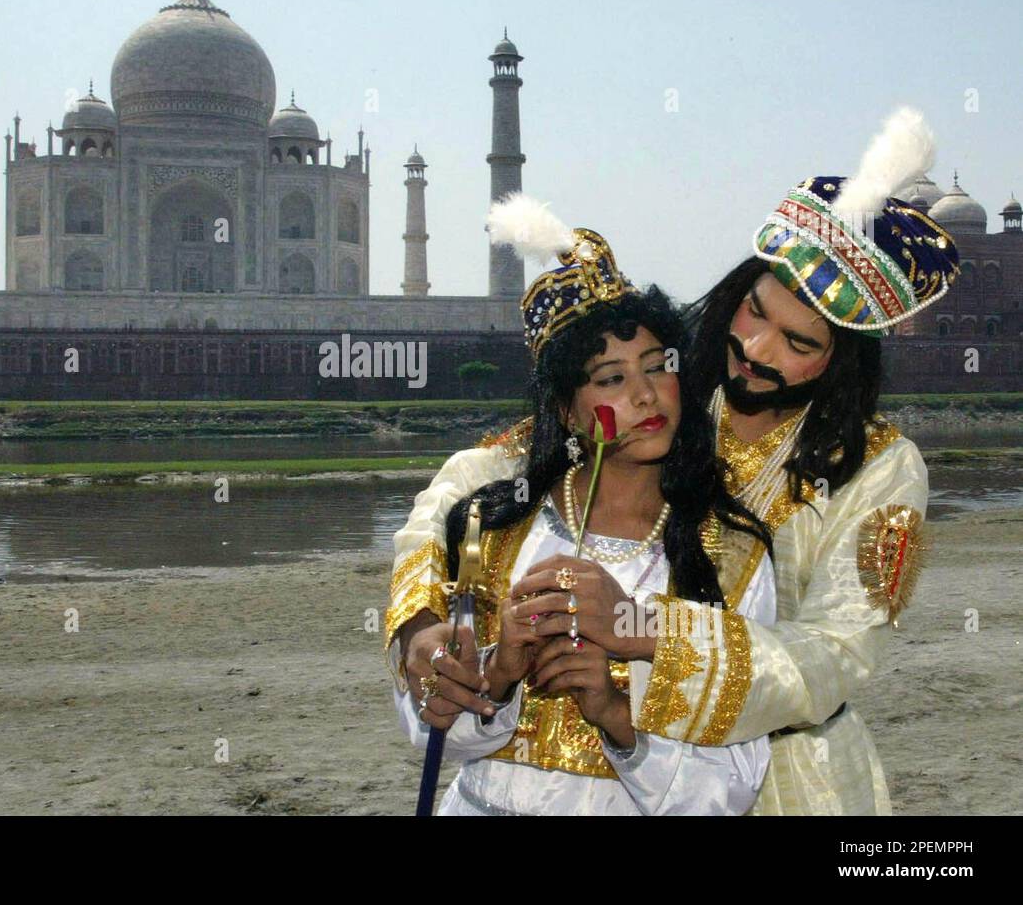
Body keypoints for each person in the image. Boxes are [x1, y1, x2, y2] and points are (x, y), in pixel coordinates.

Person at [387, 108, 960, 814]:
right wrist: (418, 626)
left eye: (799, 344)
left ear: (844, 360)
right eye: (755, 311)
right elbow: (469, 483)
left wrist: (635, 625)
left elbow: (835, 656)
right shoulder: (670, 383)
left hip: (785, 772)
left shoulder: (878, 464)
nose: (757, 349)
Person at [390, 198, 778, 815]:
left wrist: (615, 714)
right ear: (568, 410)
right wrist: (498, 673)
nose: (646, 394)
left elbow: (727, 791)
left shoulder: (729, 553)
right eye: (611, 379)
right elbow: (434, 736)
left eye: (658, 368)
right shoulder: (494, 529)